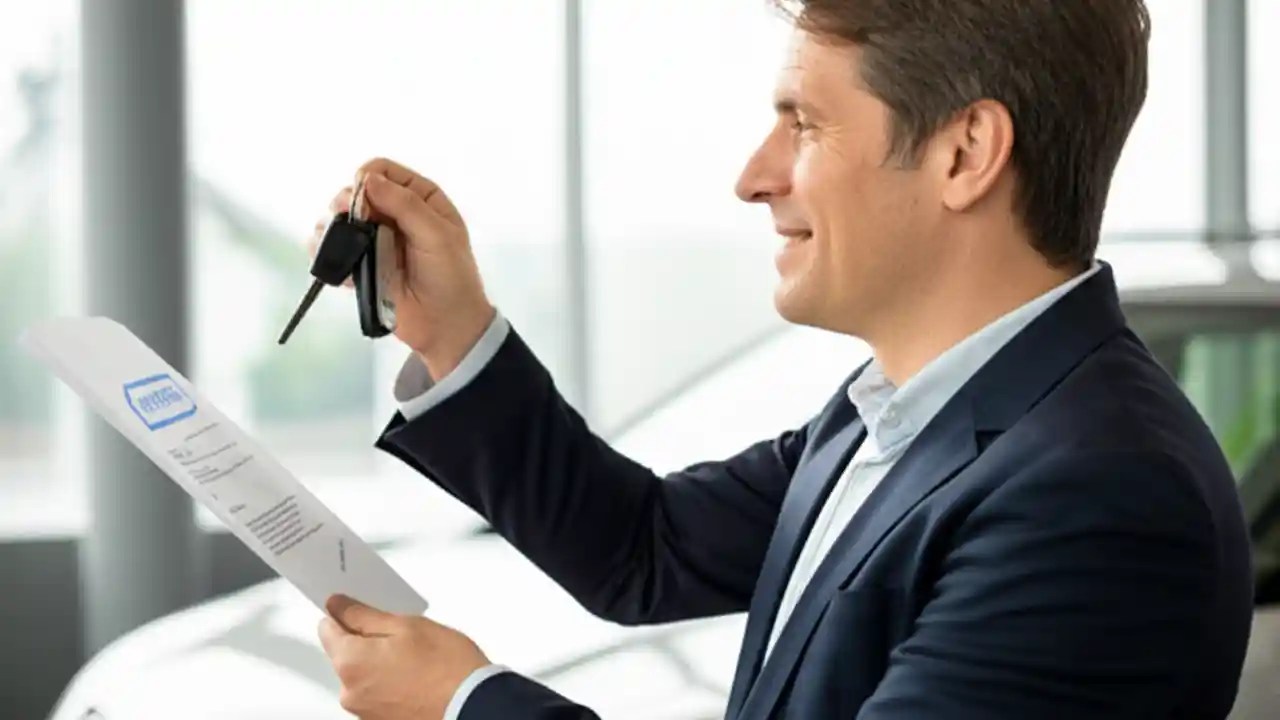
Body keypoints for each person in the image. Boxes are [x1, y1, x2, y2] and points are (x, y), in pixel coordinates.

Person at [315, 1, 1254, 718]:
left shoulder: (1100, 495)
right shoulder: (893, 413)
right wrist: (451, 328)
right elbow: (646, 547)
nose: (754, 176)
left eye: (804, 123)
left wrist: (465, 703)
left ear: (966, 152)